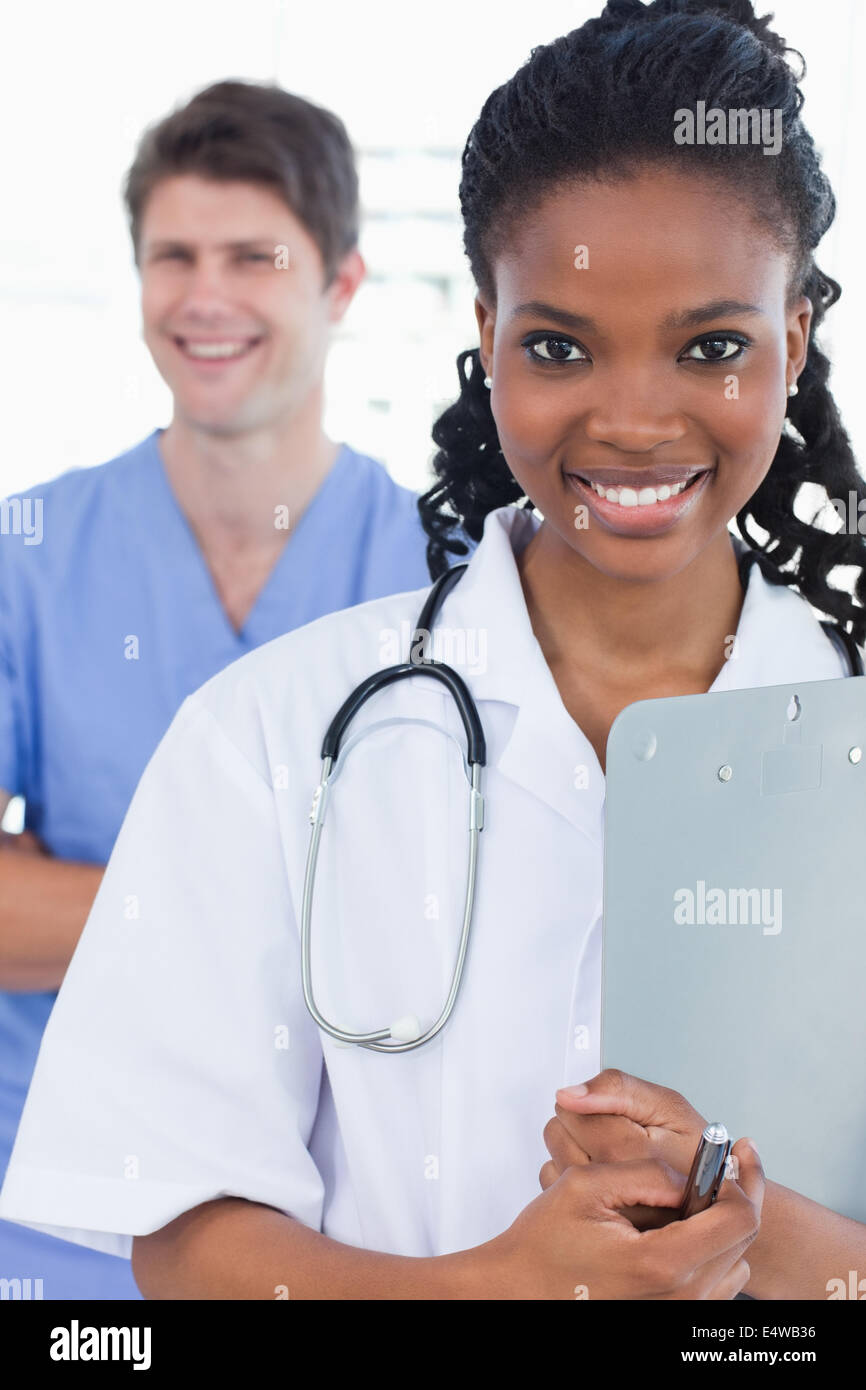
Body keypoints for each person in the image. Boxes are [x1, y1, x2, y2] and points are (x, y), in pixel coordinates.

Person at [2, 0, 863, 1299]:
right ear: (486, 329)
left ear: (791, 340)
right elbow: (181, 1236)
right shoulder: (272, 731)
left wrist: (742, 1216)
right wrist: (504, 1284)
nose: (633, 419)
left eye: (713, 345)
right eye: (559, 344)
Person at [0, 79, 434, 1300]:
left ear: (341, 284)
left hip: (357, 1231)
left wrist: (110, 913)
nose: (205, 296)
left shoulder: (440, 569)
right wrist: (289, 918)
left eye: (254, 256)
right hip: (63, 1218)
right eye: (172, 255)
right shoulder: (30, 556)